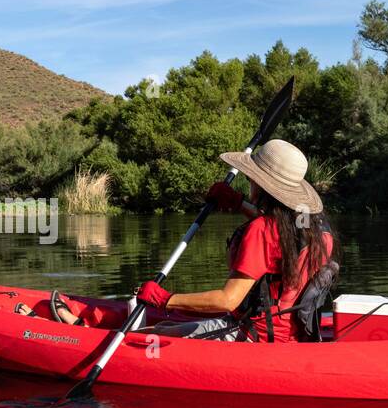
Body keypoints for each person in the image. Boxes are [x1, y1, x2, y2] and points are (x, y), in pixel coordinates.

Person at [135, 139, 337, 343]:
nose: (249, 181)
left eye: (251, 178)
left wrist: (165, 299)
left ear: (261, 184)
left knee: (153, 335)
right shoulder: (316, 228)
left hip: (252, 334)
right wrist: (237, 203)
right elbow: (281, 230)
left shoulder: (261, 231)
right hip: (292, 335)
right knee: (167, 325)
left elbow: (228, 300)